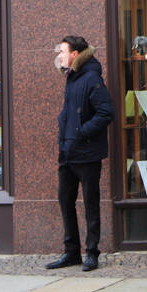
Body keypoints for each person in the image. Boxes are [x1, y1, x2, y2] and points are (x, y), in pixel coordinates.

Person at [47, 35, 114, 272]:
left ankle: (92, 252)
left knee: (90, 204)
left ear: (75, 54)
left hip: (87, 153)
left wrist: (81, 133)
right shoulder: (72, 77)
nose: (59, 56)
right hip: (68, 152)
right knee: (65, 201)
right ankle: (72, 252)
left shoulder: (91, 77)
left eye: (62, 51)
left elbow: (106, 112)